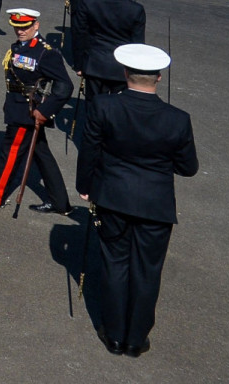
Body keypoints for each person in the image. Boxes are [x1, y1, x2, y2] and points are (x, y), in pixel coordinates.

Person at [78, 43, 198, 357]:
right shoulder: (178, 119)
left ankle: (114, 334)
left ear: (125, 73)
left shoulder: (104, 107)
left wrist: (85, 186)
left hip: (114, 196)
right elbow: (188, 168)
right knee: (147, 271)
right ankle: (136, 337)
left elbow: (89, 150)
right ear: (158, 77)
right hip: (155, 205)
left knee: (115, 265)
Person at [0, 8, 73, 213]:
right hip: (18, 106)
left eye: (25, 27)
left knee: (10, 153)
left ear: (36, 25)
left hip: (28, 112)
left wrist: (45, 110)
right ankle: (60, 203)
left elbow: (65, 86)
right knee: (42, 155)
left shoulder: (45, 52)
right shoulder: (21, 46)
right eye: (17, 27)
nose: (20, 31)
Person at [74, 0, 146, 96]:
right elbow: (137, 43)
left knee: (93, 107)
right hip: (121, 67)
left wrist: (79, 64)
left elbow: (80, 34)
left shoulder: (88, 2)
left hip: (94, 64)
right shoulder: (136, 9)